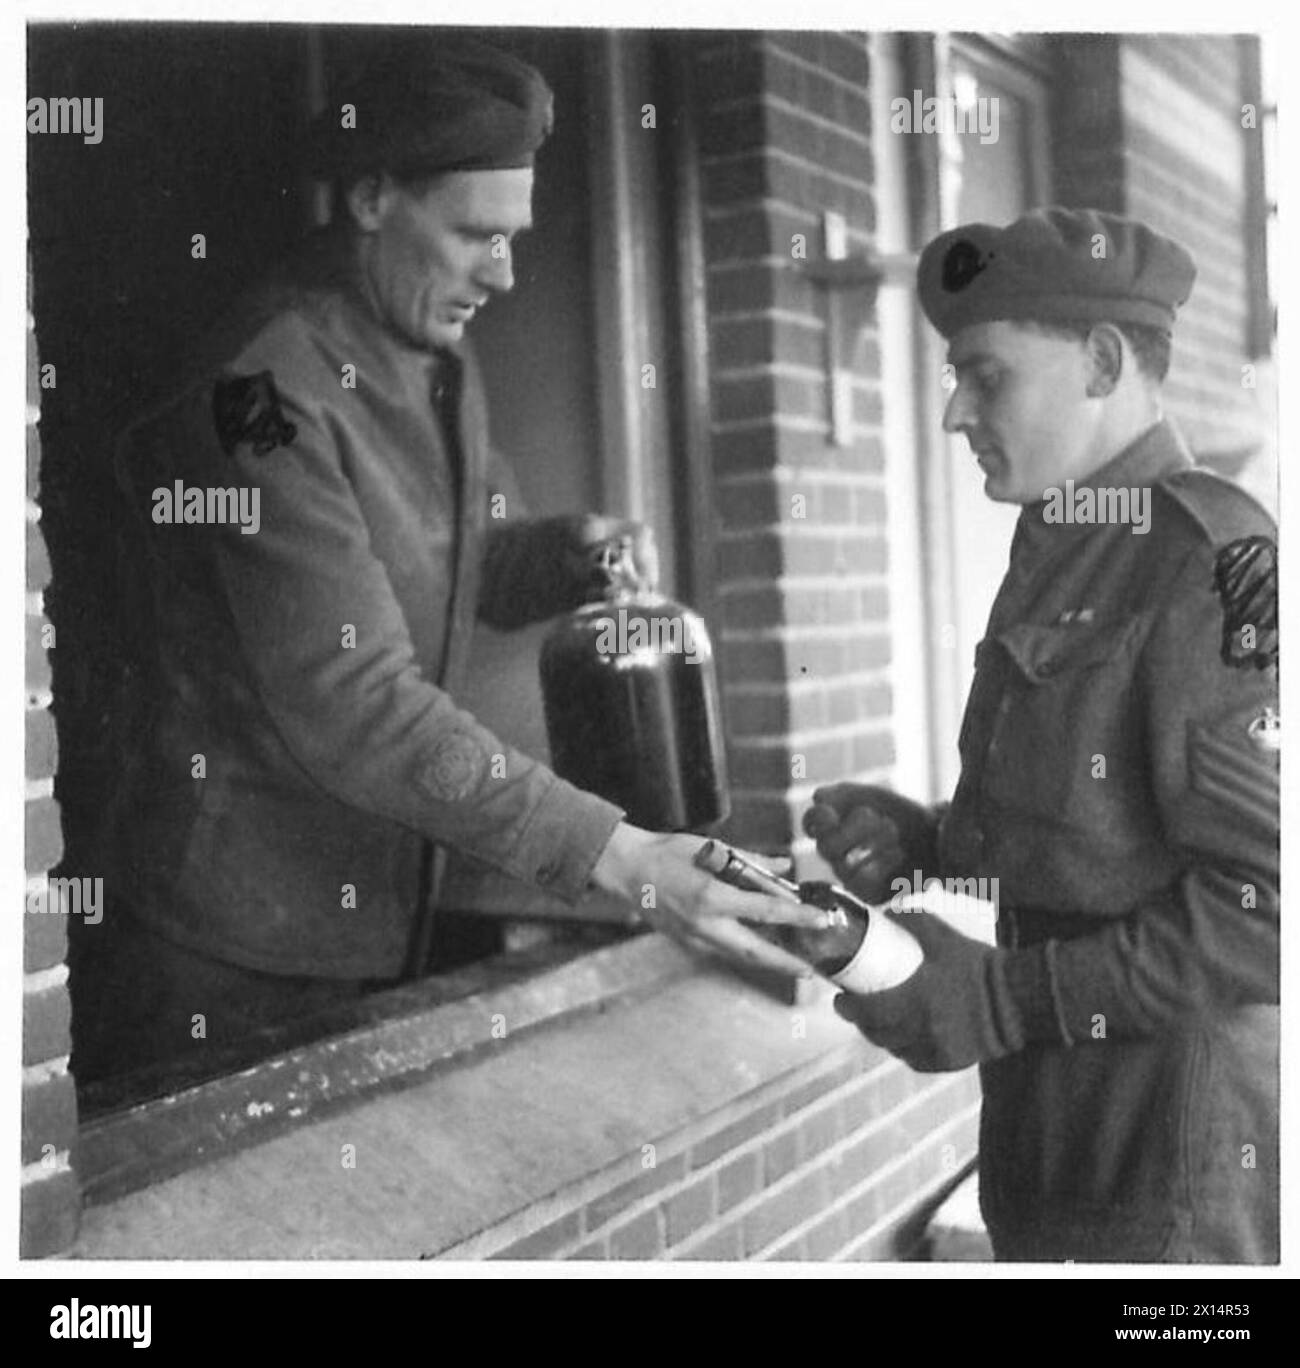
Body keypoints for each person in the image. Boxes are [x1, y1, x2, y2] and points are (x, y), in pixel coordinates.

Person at [72, 38, 818, 1084]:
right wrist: (624, 856)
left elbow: (451, 572)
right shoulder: (259, 389)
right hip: (224, 943)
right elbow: (352, 693)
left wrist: (564, 556)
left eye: (512, 237)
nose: (505, 274)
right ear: (374, 195)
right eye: (476, 234)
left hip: (368, 907)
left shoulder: (431, 354)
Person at [807, 207, 1278, 1262]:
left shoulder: (1210, 555)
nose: (953, 416)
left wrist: (1003, 1000)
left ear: (1103, 362)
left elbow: (1267, 908)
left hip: (1173, 1183)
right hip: (1054, 1155)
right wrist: (928, 839)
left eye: (986, 377)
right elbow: (1098, 841)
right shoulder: (1067, 542)